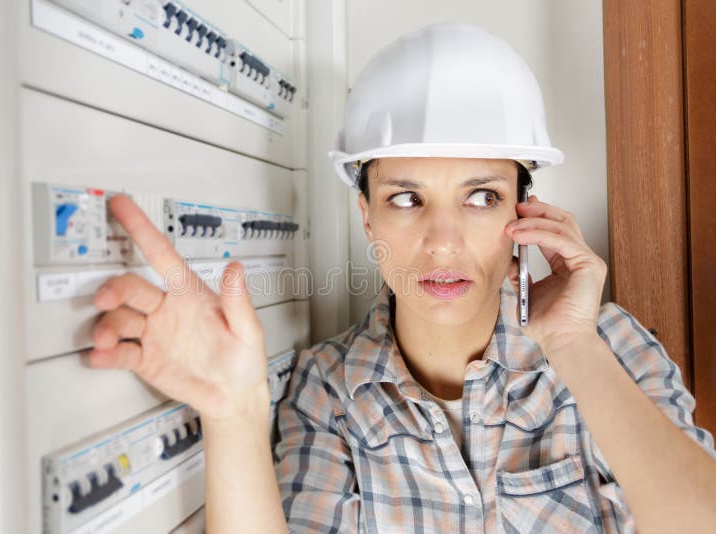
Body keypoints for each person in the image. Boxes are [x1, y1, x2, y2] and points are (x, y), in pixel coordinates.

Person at [88, 23, 716, 533]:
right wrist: (232, 415)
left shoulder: (611, 346)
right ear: (367, 216)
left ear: (524, 213)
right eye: (407, 199)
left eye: (481, 197)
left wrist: (573, 344)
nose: (442, 241)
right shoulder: (329, 390)